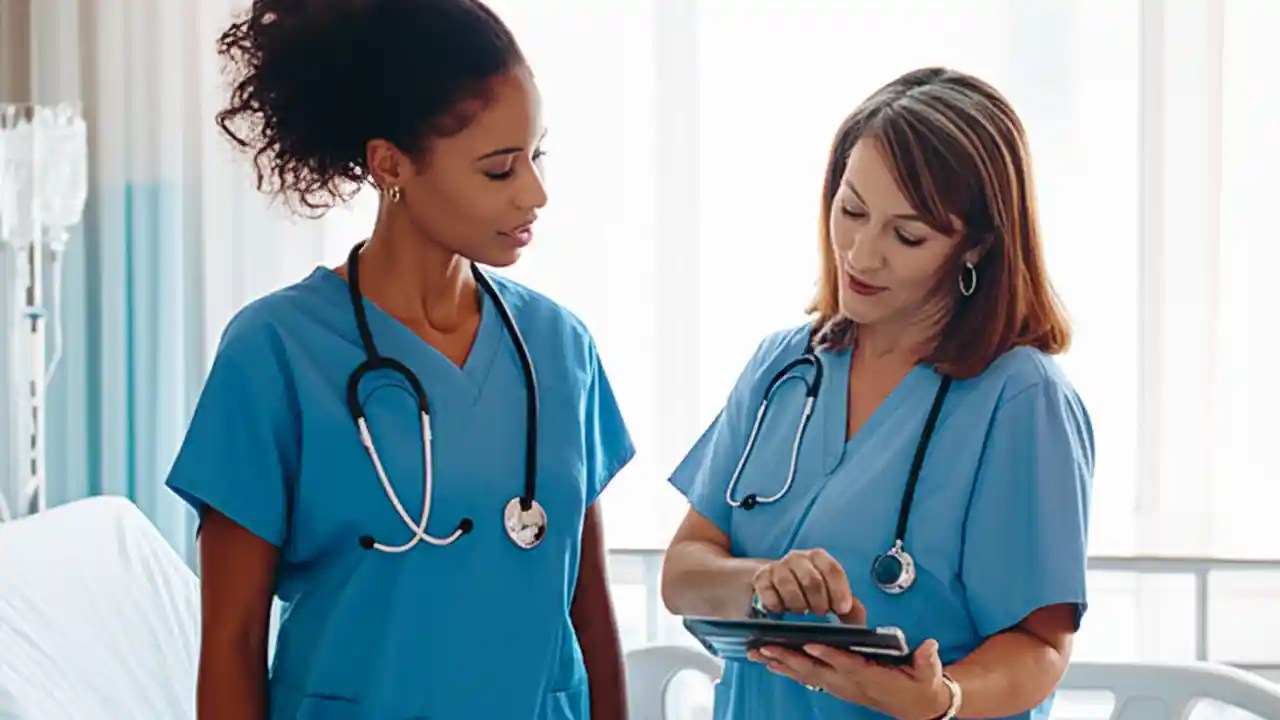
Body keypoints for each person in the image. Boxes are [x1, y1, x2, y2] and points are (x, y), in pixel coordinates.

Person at [164, 2, 635, 718]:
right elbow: (230, 646)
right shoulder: (274, 354)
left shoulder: (560, 348)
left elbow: (591, 615)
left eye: (536, 156)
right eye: (500, 168)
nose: (535, 194)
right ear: (390, 164)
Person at [660, 66, 1094, 720]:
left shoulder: (1021, 400)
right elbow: (684, 574)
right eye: (852, 210)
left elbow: (1040, 645)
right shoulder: (783, 368)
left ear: (976, 244)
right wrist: (765, 581)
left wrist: (941, 698)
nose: (862, 254)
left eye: (908, 235)